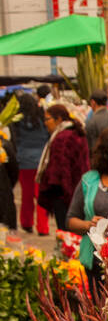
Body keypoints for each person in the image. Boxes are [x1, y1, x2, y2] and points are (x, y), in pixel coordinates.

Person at [66, 126, 108, 295]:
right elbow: (71, 220)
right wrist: (90, 225)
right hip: (94, 259)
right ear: (107, 151)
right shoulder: (89, 180)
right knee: (98, 309)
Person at [36, 103, 90, 232]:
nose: (45, 123)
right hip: (78, 192)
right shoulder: (75, 133)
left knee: (66, 235)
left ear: (59, 119)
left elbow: (61, 172)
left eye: (47, 119)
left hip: (65, 196)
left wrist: (65, 195)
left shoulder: (63, 138)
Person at [11, 93, 49, 234]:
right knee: (40, 196)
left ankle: (27, 223)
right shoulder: (41, 118)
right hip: (41, 162)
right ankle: (43, 227)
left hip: (24, 162)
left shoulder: (16, 122)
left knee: (26, 195)